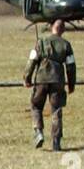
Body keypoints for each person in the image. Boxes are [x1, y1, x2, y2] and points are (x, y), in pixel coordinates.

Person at [24, 19, 76, 150]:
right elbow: (71, 67)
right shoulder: (66, 45)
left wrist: (27, 78)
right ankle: (56, 142)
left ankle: (39, 132)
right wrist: (71, 84)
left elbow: (31, 62)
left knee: (36, 106)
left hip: (41, 80)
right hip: (58, 81)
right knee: (56, 110)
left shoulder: (40, 42)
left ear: (51, 28)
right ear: (63, 30)